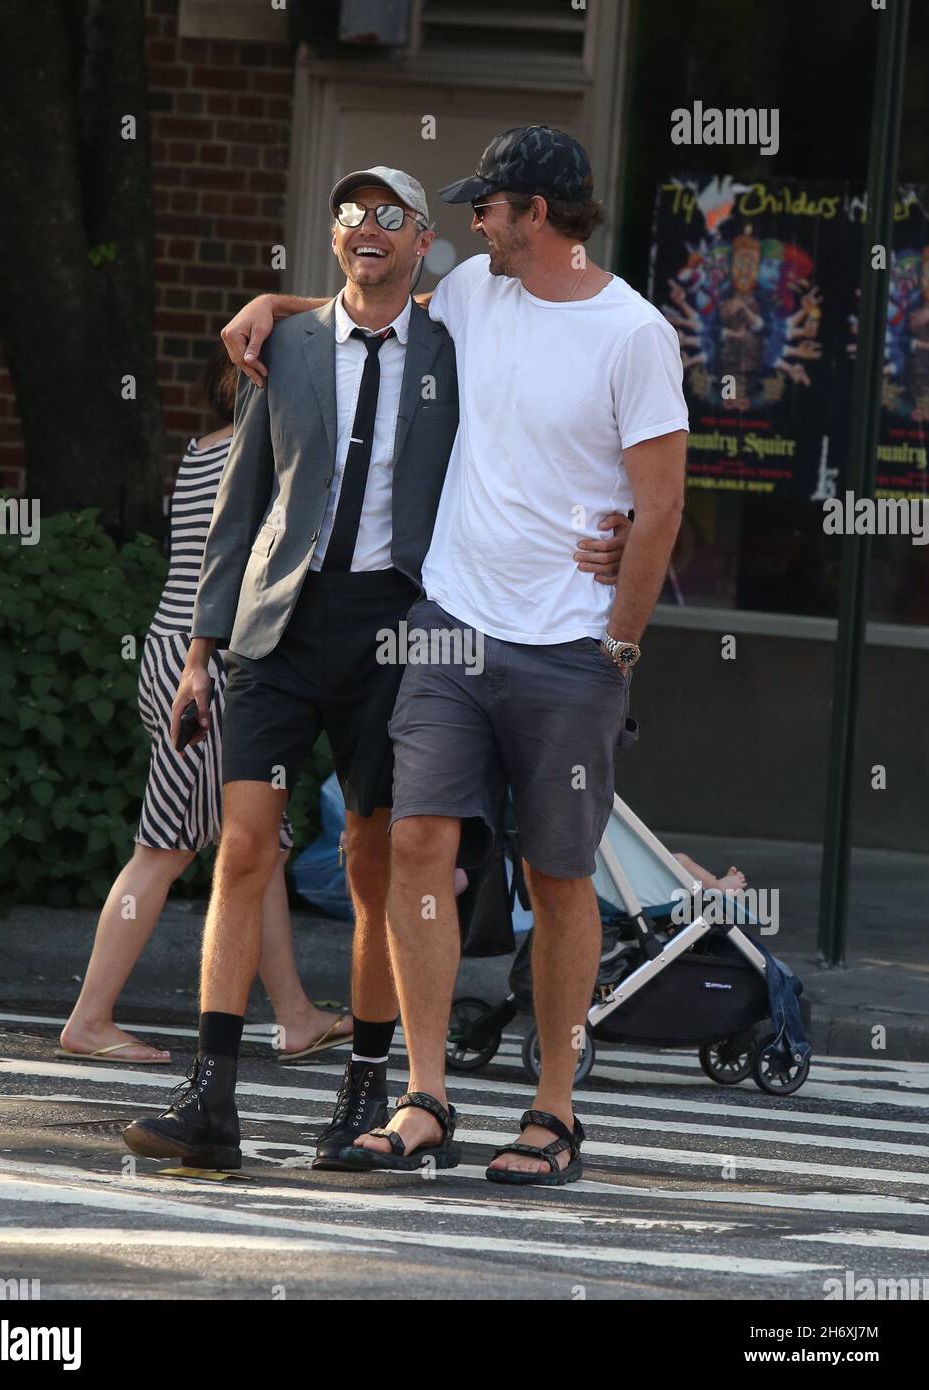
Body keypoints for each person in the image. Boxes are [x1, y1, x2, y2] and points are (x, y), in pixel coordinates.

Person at [122, 165, 630, 1173]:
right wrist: (198, 648)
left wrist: (623, 527)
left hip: (396, 627)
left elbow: (546, 438)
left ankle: (365, 1086)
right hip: (280, 621)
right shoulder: (291, 345)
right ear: (333, 227)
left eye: (390, 217)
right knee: (246, 845)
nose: (367, 229)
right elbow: (242, 500)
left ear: (420, 243)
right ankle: (210, 1095)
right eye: (349, 211)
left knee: (374, 860)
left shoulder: (454, 339)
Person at [331, 126, 688, 1185]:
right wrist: (278, 311)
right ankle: (425, 1093)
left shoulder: (634, 334)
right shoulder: (479, 298)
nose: (473, 221)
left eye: (488, 205)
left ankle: (554, 1109)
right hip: (452, 622)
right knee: (416, 843)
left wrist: (619, 640)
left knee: (559, 874)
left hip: (571, 644)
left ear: (537, 214)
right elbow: (372, 319)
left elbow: (662, 504)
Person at [60, 349, 348, 1069]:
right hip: (209, 667)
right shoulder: (257, 455)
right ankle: (89, 1019)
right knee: (164, 848)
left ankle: (295, 1017)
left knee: (260, 845)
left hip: (177, 653)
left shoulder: (200, 450)